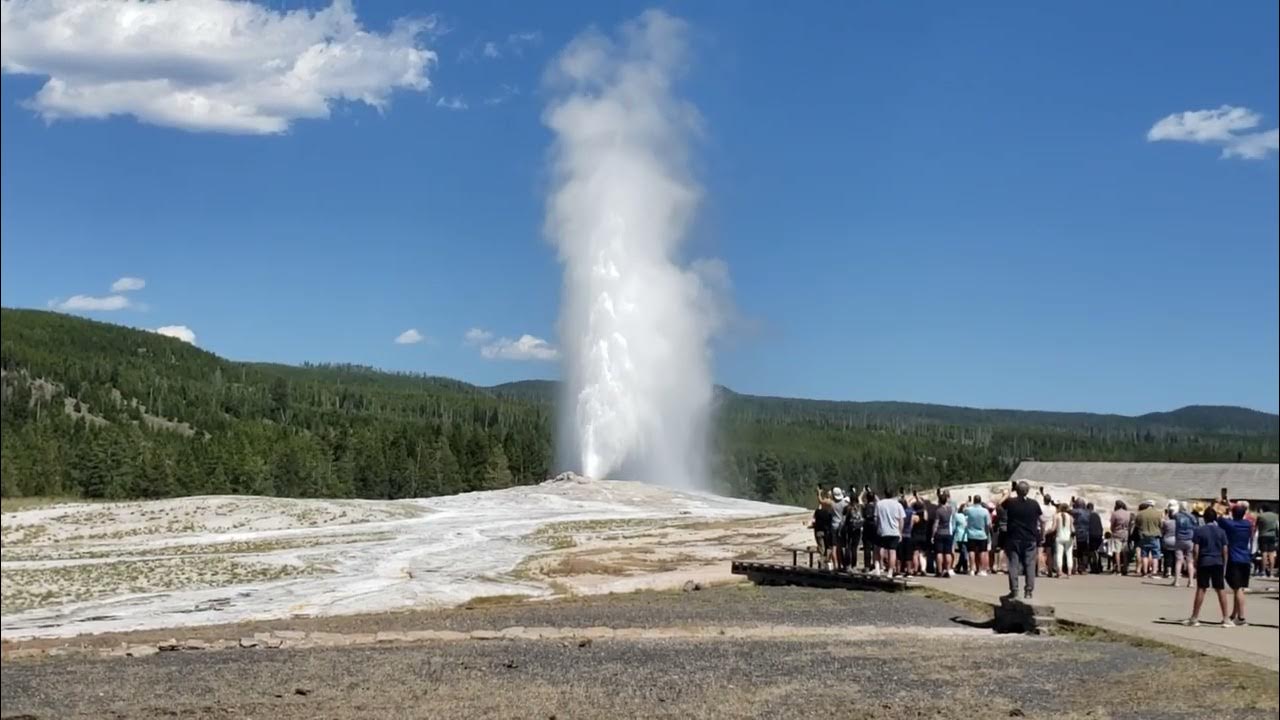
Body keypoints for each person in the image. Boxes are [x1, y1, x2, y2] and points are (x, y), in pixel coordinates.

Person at [1184, 507, 1230, 628]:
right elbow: (1225, 550)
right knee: (1220, 589)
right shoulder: (1221, 531)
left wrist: (1195, 561)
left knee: (1201, 589)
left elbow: (1196, 549)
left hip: (1204, 561)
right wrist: (1224, 563)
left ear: (1204, 518)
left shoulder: (1199, 531)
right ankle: (1226, 618)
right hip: (1217, 561)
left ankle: (1195, 617)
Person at [999, 479, 1041, 600]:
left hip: (1014, 537)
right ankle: (1028, 591)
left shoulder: (1011, 502)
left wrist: (1008, 493)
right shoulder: (1034, 504)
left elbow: (999, 505)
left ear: (1016, 491)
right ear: (1027, 491)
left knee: (1013, 564)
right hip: (1030, 537)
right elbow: (1039, 519)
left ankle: (1014, 590)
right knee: (1030, 564)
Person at [1218, 502, 1255, 626]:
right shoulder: (1248, 524)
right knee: (1238, 588)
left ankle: (1242, 617)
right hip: (1245, 558)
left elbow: (1219, 518)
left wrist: (1224, 508)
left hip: (1234, 558)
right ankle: (1234, 614)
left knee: (1237, 588)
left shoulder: (1231, 525)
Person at [875, 489, 906, 578]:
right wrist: (900, 532)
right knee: (892, 551)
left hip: (882, 530)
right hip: (894, 531)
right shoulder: (898, 504)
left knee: (879, 549)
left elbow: (876, 518)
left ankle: (878, 568)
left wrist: (878, 527)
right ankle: (890, 571)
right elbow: (901, 520)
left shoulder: (879, 504)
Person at [808, 492, 836, 571]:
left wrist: (819, 494)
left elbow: (814, 521)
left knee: (821, 549)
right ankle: (826, 562)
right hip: (827, 532)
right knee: (828, 548)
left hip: (819, 532)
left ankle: (822, 563)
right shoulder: (830, 513)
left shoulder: (818, 512)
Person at [965, 495, 991, 576]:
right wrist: (987, 532)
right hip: (982, 534)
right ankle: (982, 569)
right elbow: (988, 524)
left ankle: (972, 568)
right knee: (982, 551)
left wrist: (967, 503)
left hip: (971, 533)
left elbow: (963, 510)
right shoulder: (985, 511)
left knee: (971, 551)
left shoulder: (969, 510)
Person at [1173, 501, 1197, 588]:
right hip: (1190, 539)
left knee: (1179, 561)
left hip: (1179, 539)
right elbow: (1195, 526)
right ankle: (1190, 582)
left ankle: (1177, 581)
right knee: (1190, 561)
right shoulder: (1192, 517)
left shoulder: (1177, 516)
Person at [933, 491, 955, 578]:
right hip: (948, 532)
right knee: (948, 553)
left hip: (940, 532)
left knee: (939, 552)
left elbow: (936, 523)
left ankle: (939, 570)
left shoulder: (938, 511)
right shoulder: (950, 509)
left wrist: (933, 534)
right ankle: (947, 570)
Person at [1051, 502, 1074, 578]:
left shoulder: (1056, 516)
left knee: (1059, 555)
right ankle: (1069, 572)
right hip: (1068, 537)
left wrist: (1047, 532)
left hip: (1059, 537)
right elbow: (1072, 529)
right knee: (1069, 555)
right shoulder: (1070, 517)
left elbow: (1053, 528)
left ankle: (1059, 572)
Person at [1257, 503, 1279, 578]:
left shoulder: (1261, 516)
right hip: (1272, 536)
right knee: (1272, 554)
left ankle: (1263, 572)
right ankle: (1271, 572)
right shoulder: (1276, 516)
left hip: (1263, 535)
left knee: (1264, 553)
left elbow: (1257, 526)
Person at [830, 487, 849, 571]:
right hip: (842, 525)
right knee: (842, 546)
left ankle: (836, 565)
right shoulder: (844, 503)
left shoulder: (832, 504)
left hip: (834, 525)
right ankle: (843, 564)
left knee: (834, 546)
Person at [842, 493, 863, 572]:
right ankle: (854, 566)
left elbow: (843, 516)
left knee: (848, 547)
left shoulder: (847, 507)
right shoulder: (860, 507)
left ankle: (848, 565)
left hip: (849, 528)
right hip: (857, 529)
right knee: (855, 548)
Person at [1110, 501, 1131, 575]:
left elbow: (1112, 525)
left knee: (1117, 552)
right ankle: (1125, 567)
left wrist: (1113, 530)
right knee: (1125, 551)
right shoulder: (1128, 513)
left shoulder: (1115, 513)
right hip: (1125, 533)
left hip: (1117, 533)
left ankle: (1118, 568)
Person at [861, 490, 880, 572]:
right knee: (876, 547)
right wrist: (875, 495)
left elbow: (859, 500)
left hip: (866, 526)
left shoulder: (864, 506)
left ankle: (867, 566)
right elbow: (879, 501)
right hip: (875, 526)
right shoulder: (877, 506)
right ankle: (876, 564)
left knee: (867, 547)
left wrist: (863, 492)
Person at [910, 499, 930, 576]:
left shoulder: (915, 517)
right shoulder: (925, 516)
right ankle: (923, 569)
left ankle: (915, 569)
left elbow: (911, 527)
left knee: (915, 553)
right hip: (923, 536)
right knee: (922, 554)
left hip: (915, 535)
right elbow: (925, 508)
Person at [1071, 499, 1090, 575]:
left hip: (1077, 533)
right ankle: (1083, 568)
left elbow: (1068, 510)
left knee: (1076, 552)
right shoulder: (1087, 512)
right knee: (1083, 552)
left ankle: (1075, 568)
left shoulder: (1076, 511)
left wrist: (1071, 504)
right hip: (1085, 533)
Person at [1161, 502, 1179, 579]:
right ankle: (1174, 571)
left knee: (1167, 557)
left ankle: (1167, 571)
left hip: (1167, 540)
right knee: (1175, 557)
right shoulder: (1178, 523)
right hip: (1176, 541)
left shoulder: (1166, 522)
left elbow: (1162, 531)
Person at [1087, 503, 1105, 574]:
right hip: (1099, 534)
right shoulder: (1097, 515)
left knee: (1092, 551)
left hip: (1092, 535)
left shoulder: (1088, 515)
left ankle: (1095, 567)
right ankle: (1099, 566)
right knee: (1097, 551)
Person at [954, 502, 970, 575]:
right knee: (964, 552)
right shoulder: (957, 515)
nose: (966, 509)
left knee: (963, 553)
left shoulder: (968, 516)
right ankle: (965, 567)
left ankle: (959, 566)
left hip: (967, 536)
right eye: (965, 507)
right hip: (960, 536)